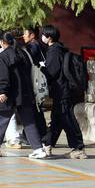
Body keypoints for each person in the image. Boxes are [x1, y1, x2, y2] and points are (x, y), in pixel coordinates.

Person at [0, 31, 47, 159]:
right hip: (24, 93)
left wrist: (2, 91)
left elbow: (3, 77)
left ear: (2, 41)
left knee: (2, 120)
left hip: (9, 94)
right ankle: (38, 149)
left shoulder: (2, 56)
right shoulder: (23, 53)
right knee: (29, 122)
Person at [40, 25, 86, 159]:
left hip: (62, 90)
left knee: (67, 119)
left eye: (44, 34)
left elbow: (52, 72)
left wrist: (41, 70)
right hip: (63, 90)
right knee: (57, 119)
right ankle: (47, 145)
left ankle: (78, 147)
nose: (42, 37)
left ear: (49, 37)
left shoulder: (54, 51)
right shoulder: (60, 49)